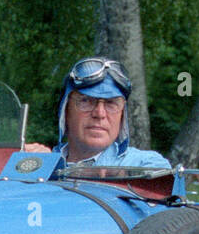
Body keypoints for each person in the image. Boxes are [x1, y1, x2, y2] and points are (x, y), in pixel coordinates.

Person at [25, 57, 170, 169]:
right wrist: (33, 169)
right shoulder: (37, 162)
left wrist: (54, 172)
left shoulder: (146, 166)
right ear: (65, 110)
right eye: (86, 101)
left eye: (111, 103)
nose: (100, 113)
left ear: (122, 115)